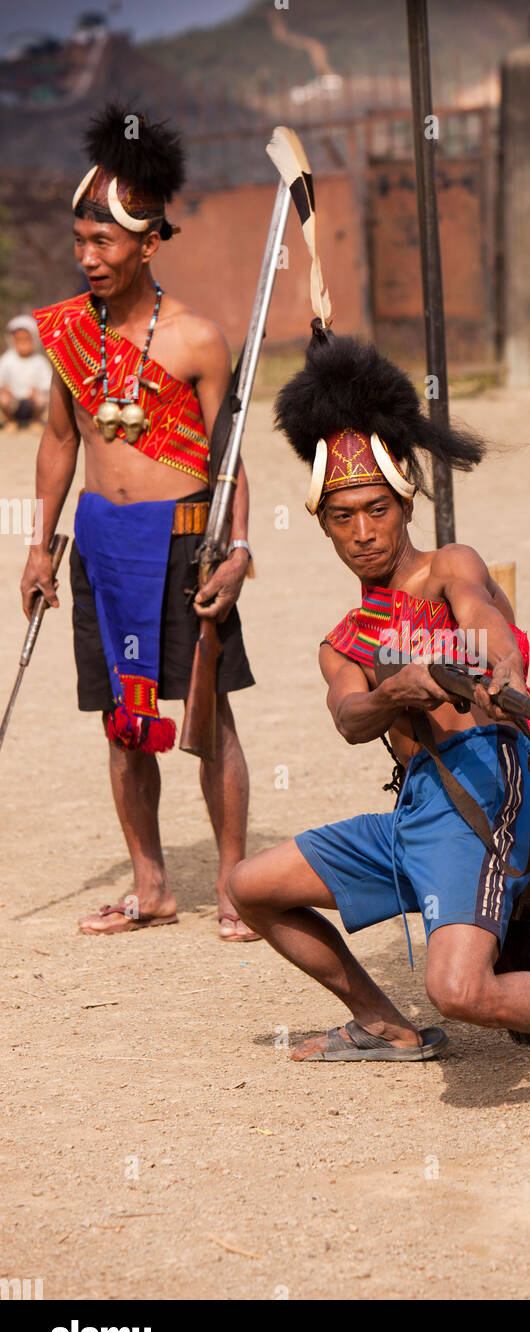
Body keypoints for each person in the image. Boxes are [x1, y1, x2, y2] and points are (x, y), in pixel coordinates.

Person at [226, 330, 530, 1109]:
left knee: (458, 991)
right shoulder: (341, 643)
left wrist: (502, 669)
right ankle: (381, 1025)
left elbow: (484, 620)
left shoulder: (447, 566)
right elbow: (350, 719)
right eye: (341, 517)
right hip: (419, 811)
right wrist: (398, 691)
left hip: (484, 793)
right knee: (249, 886)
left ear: (403, 504)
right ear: (323, 525)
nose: (362, 532)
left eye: (375, 510)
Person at [19, 103, 258, 942]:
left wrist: (239, 553)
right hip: (102, 546)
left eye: (105, 244)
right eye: (79, 242)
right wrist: (40, 545)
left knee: (206, 717)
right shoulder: (65, 338)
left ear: (149, 242)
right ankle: (150, 883)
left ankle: (237, 887)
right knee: (124, 722)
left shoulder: (196, 338)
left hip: (189, 543)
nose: (87, 259)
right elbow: (57, 443)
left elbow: (231, 457)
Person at [0, 315, 52, 428]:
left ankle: (35, 421)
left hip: (31, 401)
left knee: (42, 398)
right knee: (2, 398)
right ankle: (11, 422)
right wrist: (5, 388)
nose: (23, 343)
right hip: (13, 402)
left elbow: (47, 382)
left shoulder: (39, 361)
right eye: (19, 339)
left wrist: (38, 390)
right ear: (12, 340)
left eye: (26, 339)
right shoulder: (6, 359)